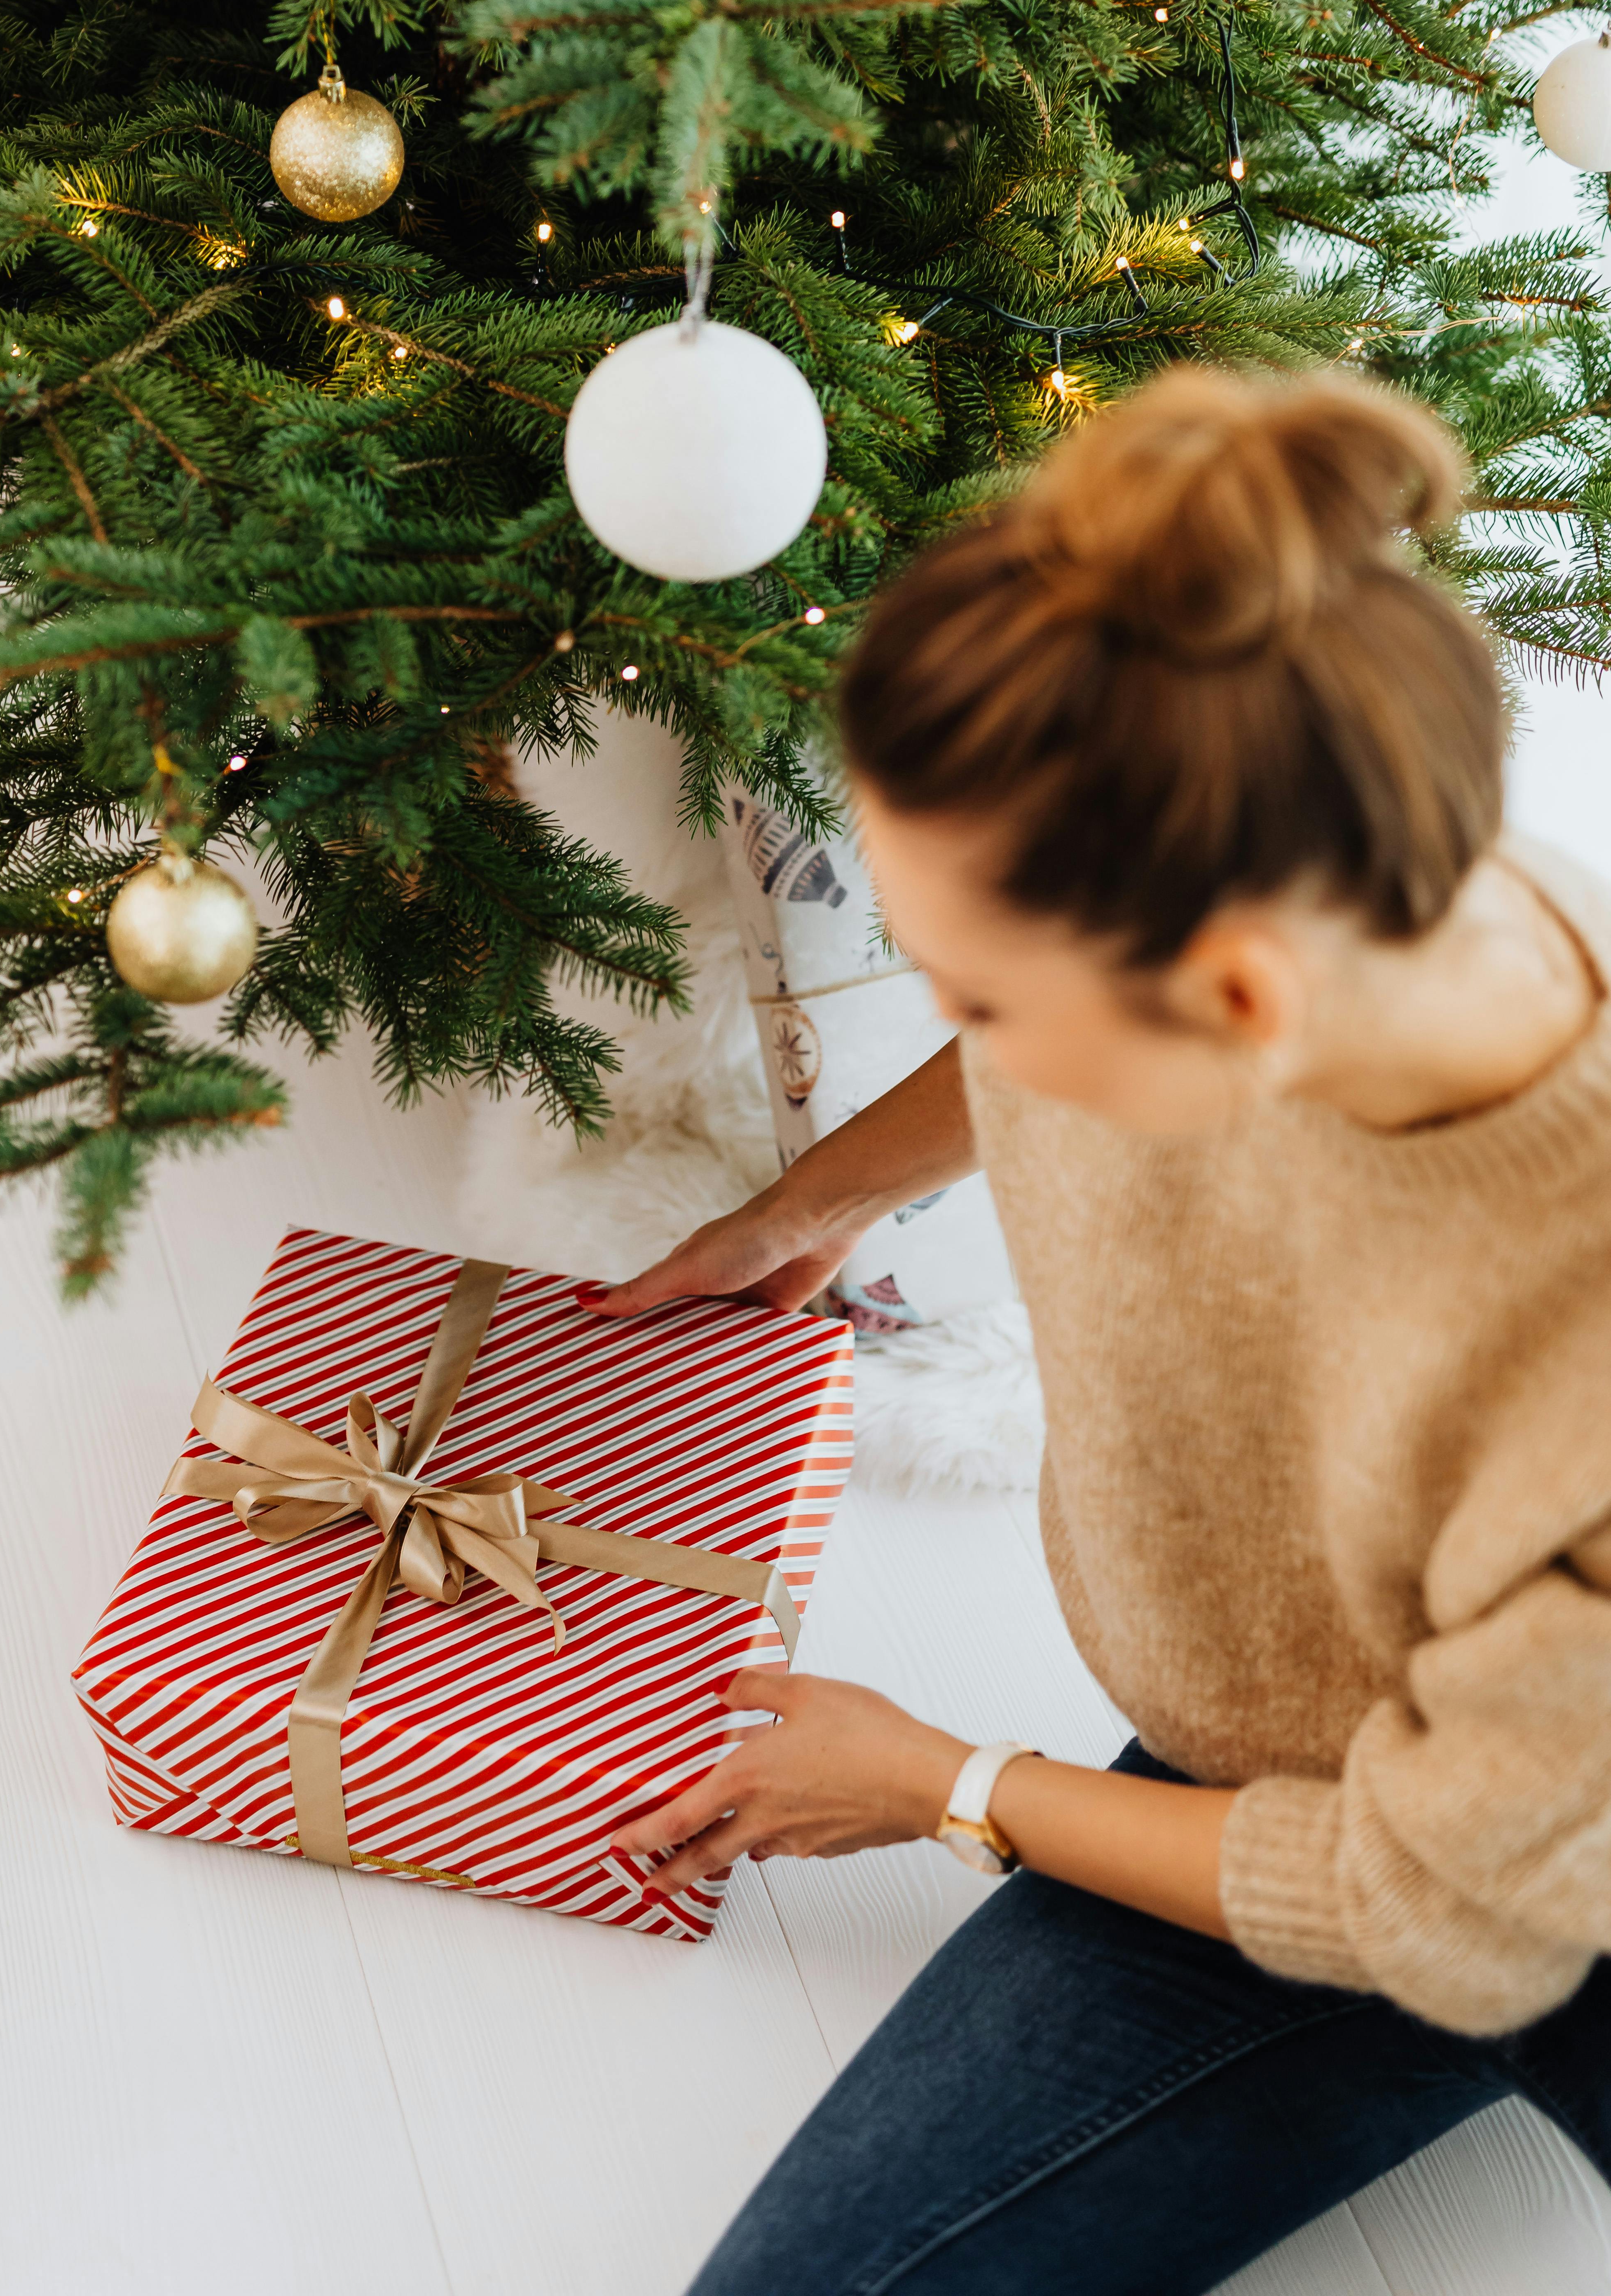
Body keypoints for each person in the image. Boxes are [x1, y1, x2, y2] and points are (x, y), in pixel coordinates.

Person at [586, 367, 1611, 2296]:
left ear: (1232, 999)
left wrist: (942, 1787)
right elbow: (1042, 1042)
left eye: (970, 983)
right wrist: (811, 1203)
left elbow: (1442, 1913)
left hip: (1514, 1867)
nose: (953, 1024)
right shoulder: (1342, 877)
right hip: (1328, 1783)